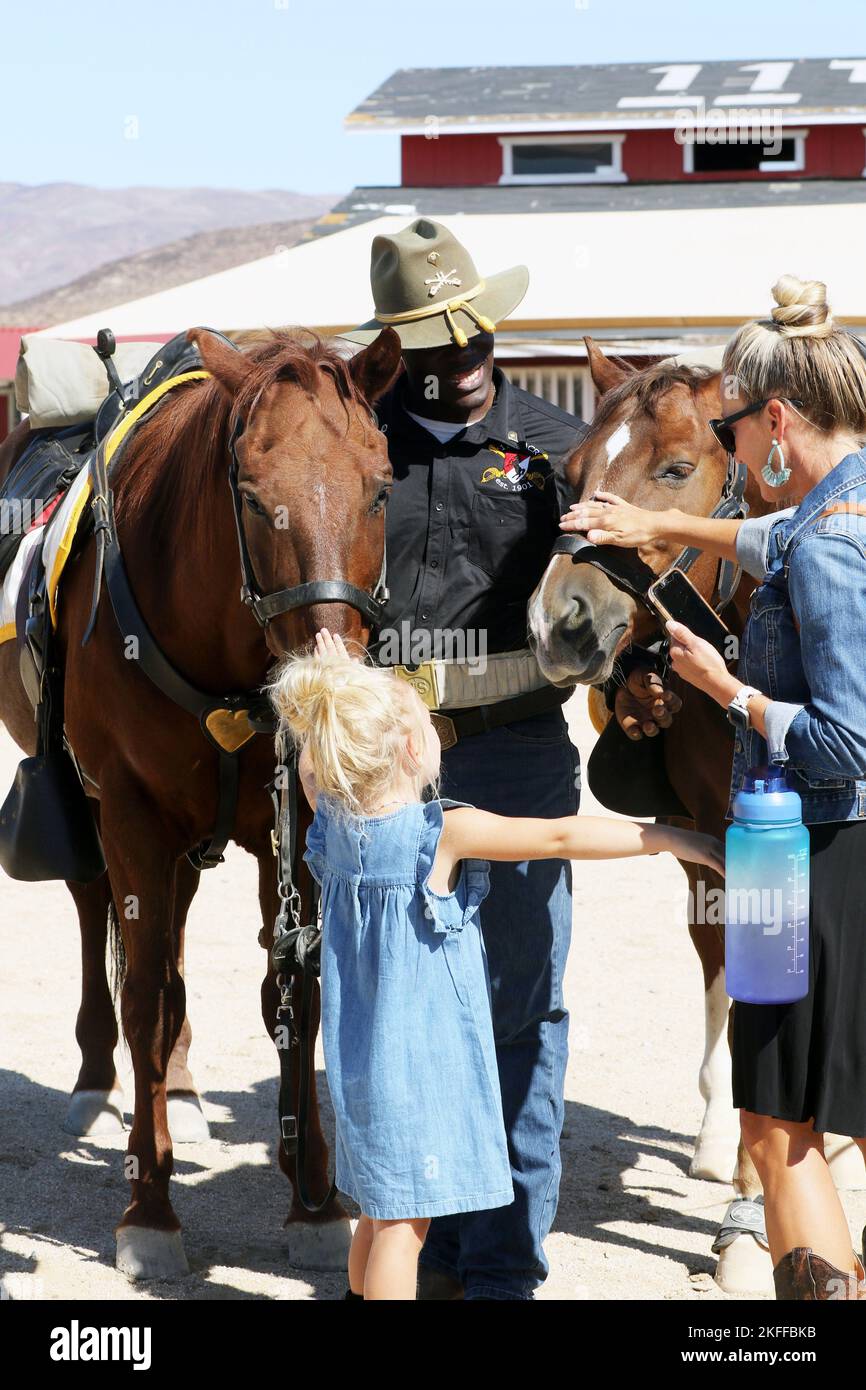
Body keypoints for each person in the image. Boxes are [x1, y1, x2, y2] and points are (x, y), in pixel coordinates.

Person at [559, 274, 866, 1301]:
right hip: (817, 854)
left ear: (774, 419)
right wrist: (648, 521)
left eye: (732, 426)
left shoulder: (826, 547)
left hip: (797, 858)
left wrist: (724, 690)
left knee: (775, 1130)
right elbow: (764, 539)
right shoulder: (837, 505)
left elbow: (843, 740)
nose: (729, 449)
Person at [269, 628, 724, 1301]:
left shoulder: (331, 823)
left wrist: (336, 688)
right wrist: (673, 838)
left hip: (360, 1067)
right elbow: (561, 835)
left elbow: (314, 765)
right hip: (418, 1072)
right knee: (405, 1228)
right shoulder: (437, 834)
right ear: (410, 748)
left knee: (377, 1214)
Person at [340, 217, 589, 1299]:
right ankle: (430, 1234)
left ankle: (500, 1267)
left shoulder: (549, 446)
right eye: (436, 342)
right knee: (410, 1012)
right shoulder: (358, 448)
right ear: (398, 345)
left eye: (475, 330)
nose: (465, 355)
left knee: (517, 1007)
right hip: (392, 773)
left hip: (521, 751)